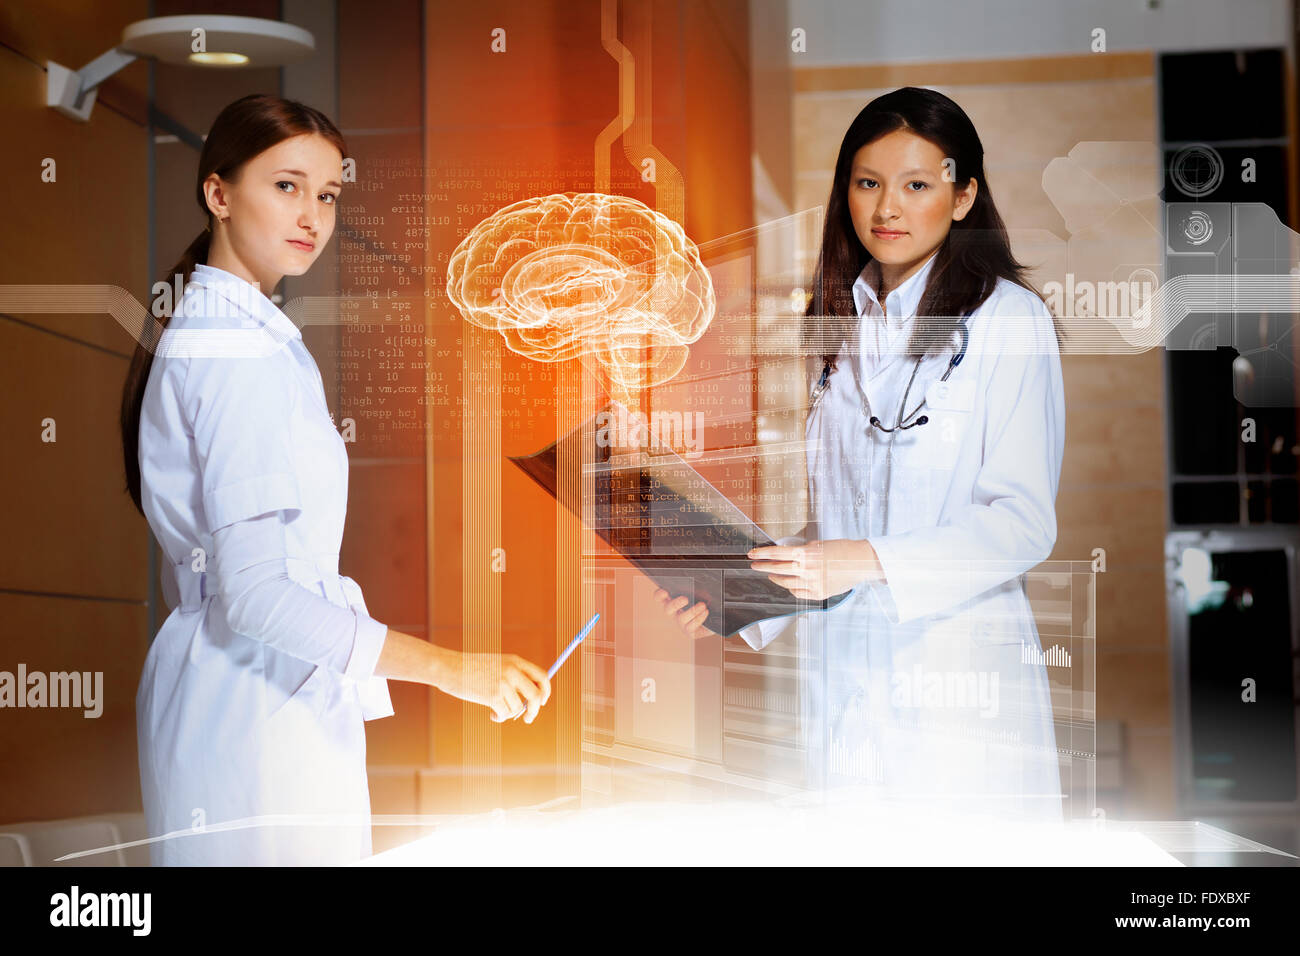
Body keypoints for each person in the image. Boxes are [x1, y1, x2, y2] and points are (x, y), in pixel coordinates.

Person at [119, 94, 551, 865]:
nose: (311, 215)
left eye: (327, 193)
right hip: (248, 706)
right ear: (218, 194)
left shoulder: (247, 335)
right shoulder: (230, 347)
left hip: (256, 695)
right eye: (286, 186)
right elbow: (255, 595)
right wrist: (454, 670)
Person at [656, 86, 1067, 823]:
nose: (887, 209)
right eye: (868, 183)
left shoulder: (1009, 319)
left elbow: (1022, 525)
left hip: (959, 686)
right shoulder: (839, 329)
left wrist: (863, 560)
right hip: (846, 678)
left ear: (964, 195)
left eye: (917, 185)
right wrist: (741, 593)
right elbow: (837, 527)